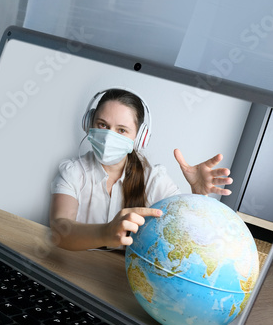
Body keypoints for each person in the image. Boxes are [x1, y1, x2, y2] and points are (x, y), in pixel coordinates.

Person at [48, 88, 232, 251]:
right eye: (102, 125)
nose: (108, 137)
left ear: (139, 138)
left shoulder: (154, 179)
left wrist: (198, 197)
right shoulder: (73, 171)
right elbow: (60, 229)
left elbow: (185, 232)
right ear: (89, 124)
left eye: (121, 130)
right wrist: (106, 232)